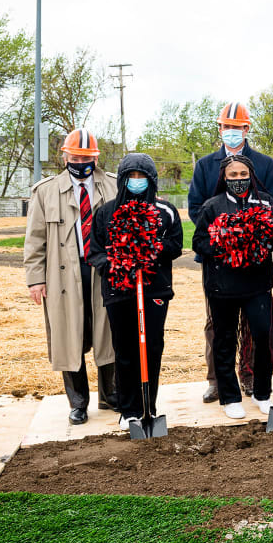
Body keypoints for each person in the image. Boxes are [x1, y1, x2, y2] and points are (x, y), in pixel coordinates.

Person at [24, 128, 119, 425]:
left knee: (108, 333)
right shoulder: (45, 191)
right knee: (70, 335)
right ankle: (78, 402)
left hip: (103, 269)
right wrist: (35, 278)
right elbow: (34, 239)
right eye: (76, 156)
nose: (81, 161)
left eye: (87, 157)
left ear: (96, 158)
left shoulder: (113, 186)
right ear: (64, 155)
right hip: (64, 274)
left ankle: (110, 395)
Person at [188, 102, 273, 404]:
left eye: (236, 127)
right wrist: (228, 230)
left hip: (254, 267)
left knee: (256, 326)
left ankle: (250, 376)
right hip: (219, 264)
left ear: (246, 129)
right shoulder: (205, 165)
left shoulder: (263, 163)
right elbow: (195, 208)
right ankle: (217, 381)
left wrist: (252, 234)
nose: (231, 131)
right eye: (226, 127)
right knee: (218, 325)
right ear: (220, 129)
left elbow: (271, 206)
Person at [88, 153, 183, 428]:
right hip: (120, 292)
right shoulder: (106, 213)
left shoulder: (165, 211)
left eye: (142, 177)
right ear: (122, 180)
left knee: (151, 347)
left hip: (154, 290)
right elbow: (95, 252)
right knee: (126, 349)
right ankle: (128, 409)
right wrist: (116, 265)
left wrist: (151, 252)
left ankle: (148, 406)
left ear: (151, 180)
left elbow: (175, 245)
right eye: (131, 177)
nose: (137, 182)